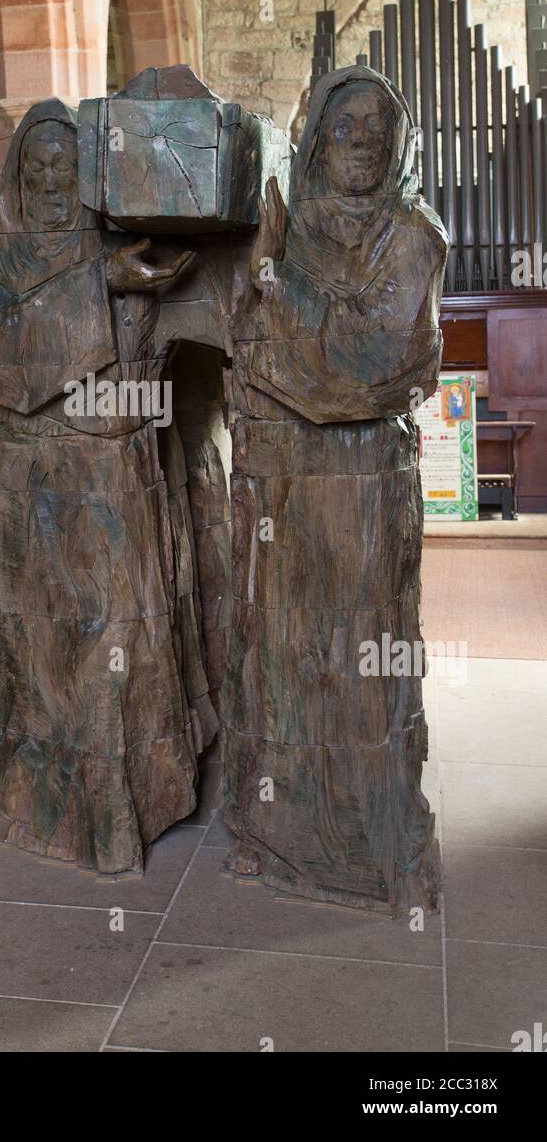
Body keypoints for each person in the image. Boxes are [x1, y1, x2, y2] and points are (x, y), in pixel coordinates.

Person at [0, 100, 216, 875]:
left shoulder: (127, 246)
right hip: (29, 481)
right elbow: (4, 362)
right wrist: (99, 283)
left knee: (119, 643)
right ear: (14, 178)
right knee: (39, 652)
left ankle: (127, 801)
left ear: (86, 179)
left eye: (63, 168)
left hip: (114, 477)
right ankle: (50, 806)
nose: (47, 181)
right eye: (34, 167)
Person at [220, 66, 449, 914]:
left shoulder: (412, 236)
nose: (360, 142)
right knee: (280, 660)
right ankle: (271, 832)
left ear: (398, 144)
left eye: (375, 127)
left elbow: (368, 366)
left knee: (360, 669)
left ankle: (366, 840)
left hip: (361, 489)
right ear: (315, 135)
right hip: (279, 488)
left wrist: (275, 283)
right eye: (343, 124)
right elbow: (245, 345)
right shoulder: (283, 230)